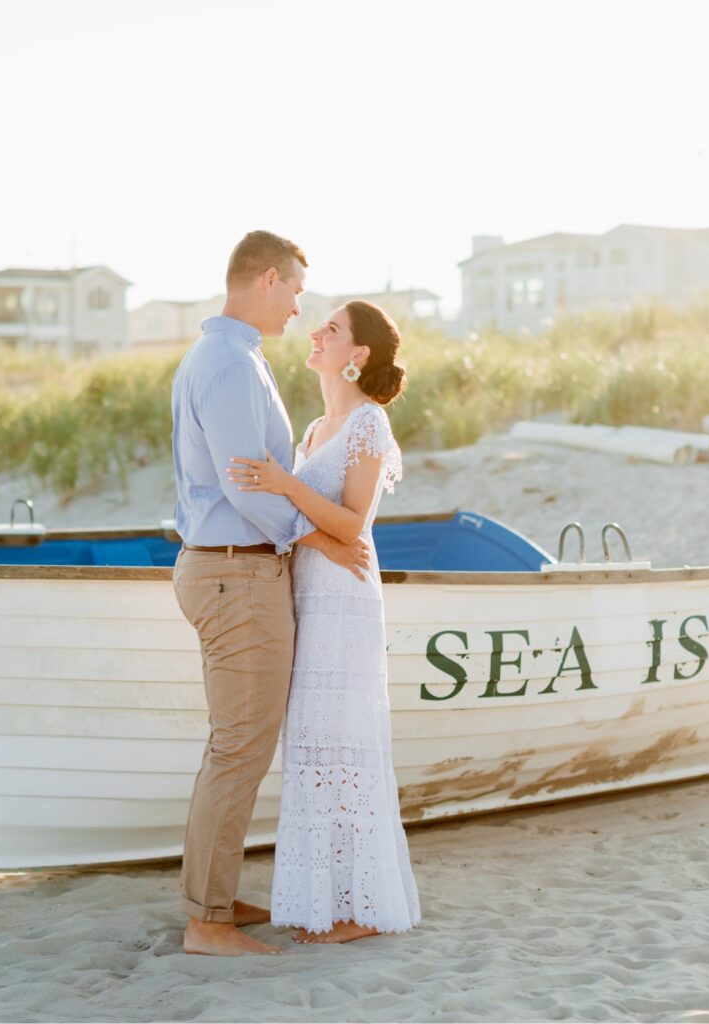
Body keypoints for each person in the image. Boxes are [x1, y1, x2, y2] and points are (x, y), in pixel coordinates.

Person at [171, 231, 371, 958]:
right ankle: (206, 922)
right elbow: (243, 481)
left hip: (237, 568)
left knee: (237, 748)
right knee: (239, 750)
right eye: (292, 291)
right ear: (264, 279)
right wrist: (316, 537)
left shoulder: (233, 358)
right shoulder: (226, 365)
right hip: (235, 570)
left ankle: (214, 900)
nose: (297, 308)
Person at [228, 300, 422, 943]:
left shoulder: (369, 424)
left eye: (332, 329)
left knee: (345, 744)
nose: (318, 332)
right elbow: (314, 529)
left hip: (345, 598)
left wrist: (285, 486)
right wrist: (294, 505)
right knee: (313, 744)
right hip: (308, 593)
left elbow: (353, 525)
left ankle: (356, 911)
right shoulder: (313, 430)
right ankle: (330, 900)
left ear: (358, 355)